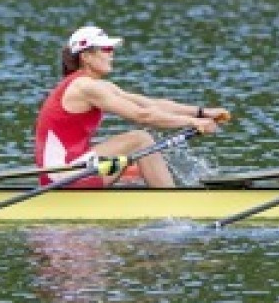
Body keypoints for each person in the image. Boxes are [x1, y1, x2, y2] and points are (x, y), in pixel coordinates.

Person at [35, 25, 225, 188]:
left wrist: (201, 112)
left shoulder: (96, 86)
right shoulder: (85, 87)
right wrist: (193, 122)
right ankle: (173, 204)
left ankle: (153, 198)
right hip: (61, 174)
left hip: (74, 166)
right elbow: (142, 116)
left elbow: (150, 104)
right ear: (86, 56)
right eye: (106, 49)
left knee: (137, 168)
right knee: (140, 139)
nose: (112, 55)